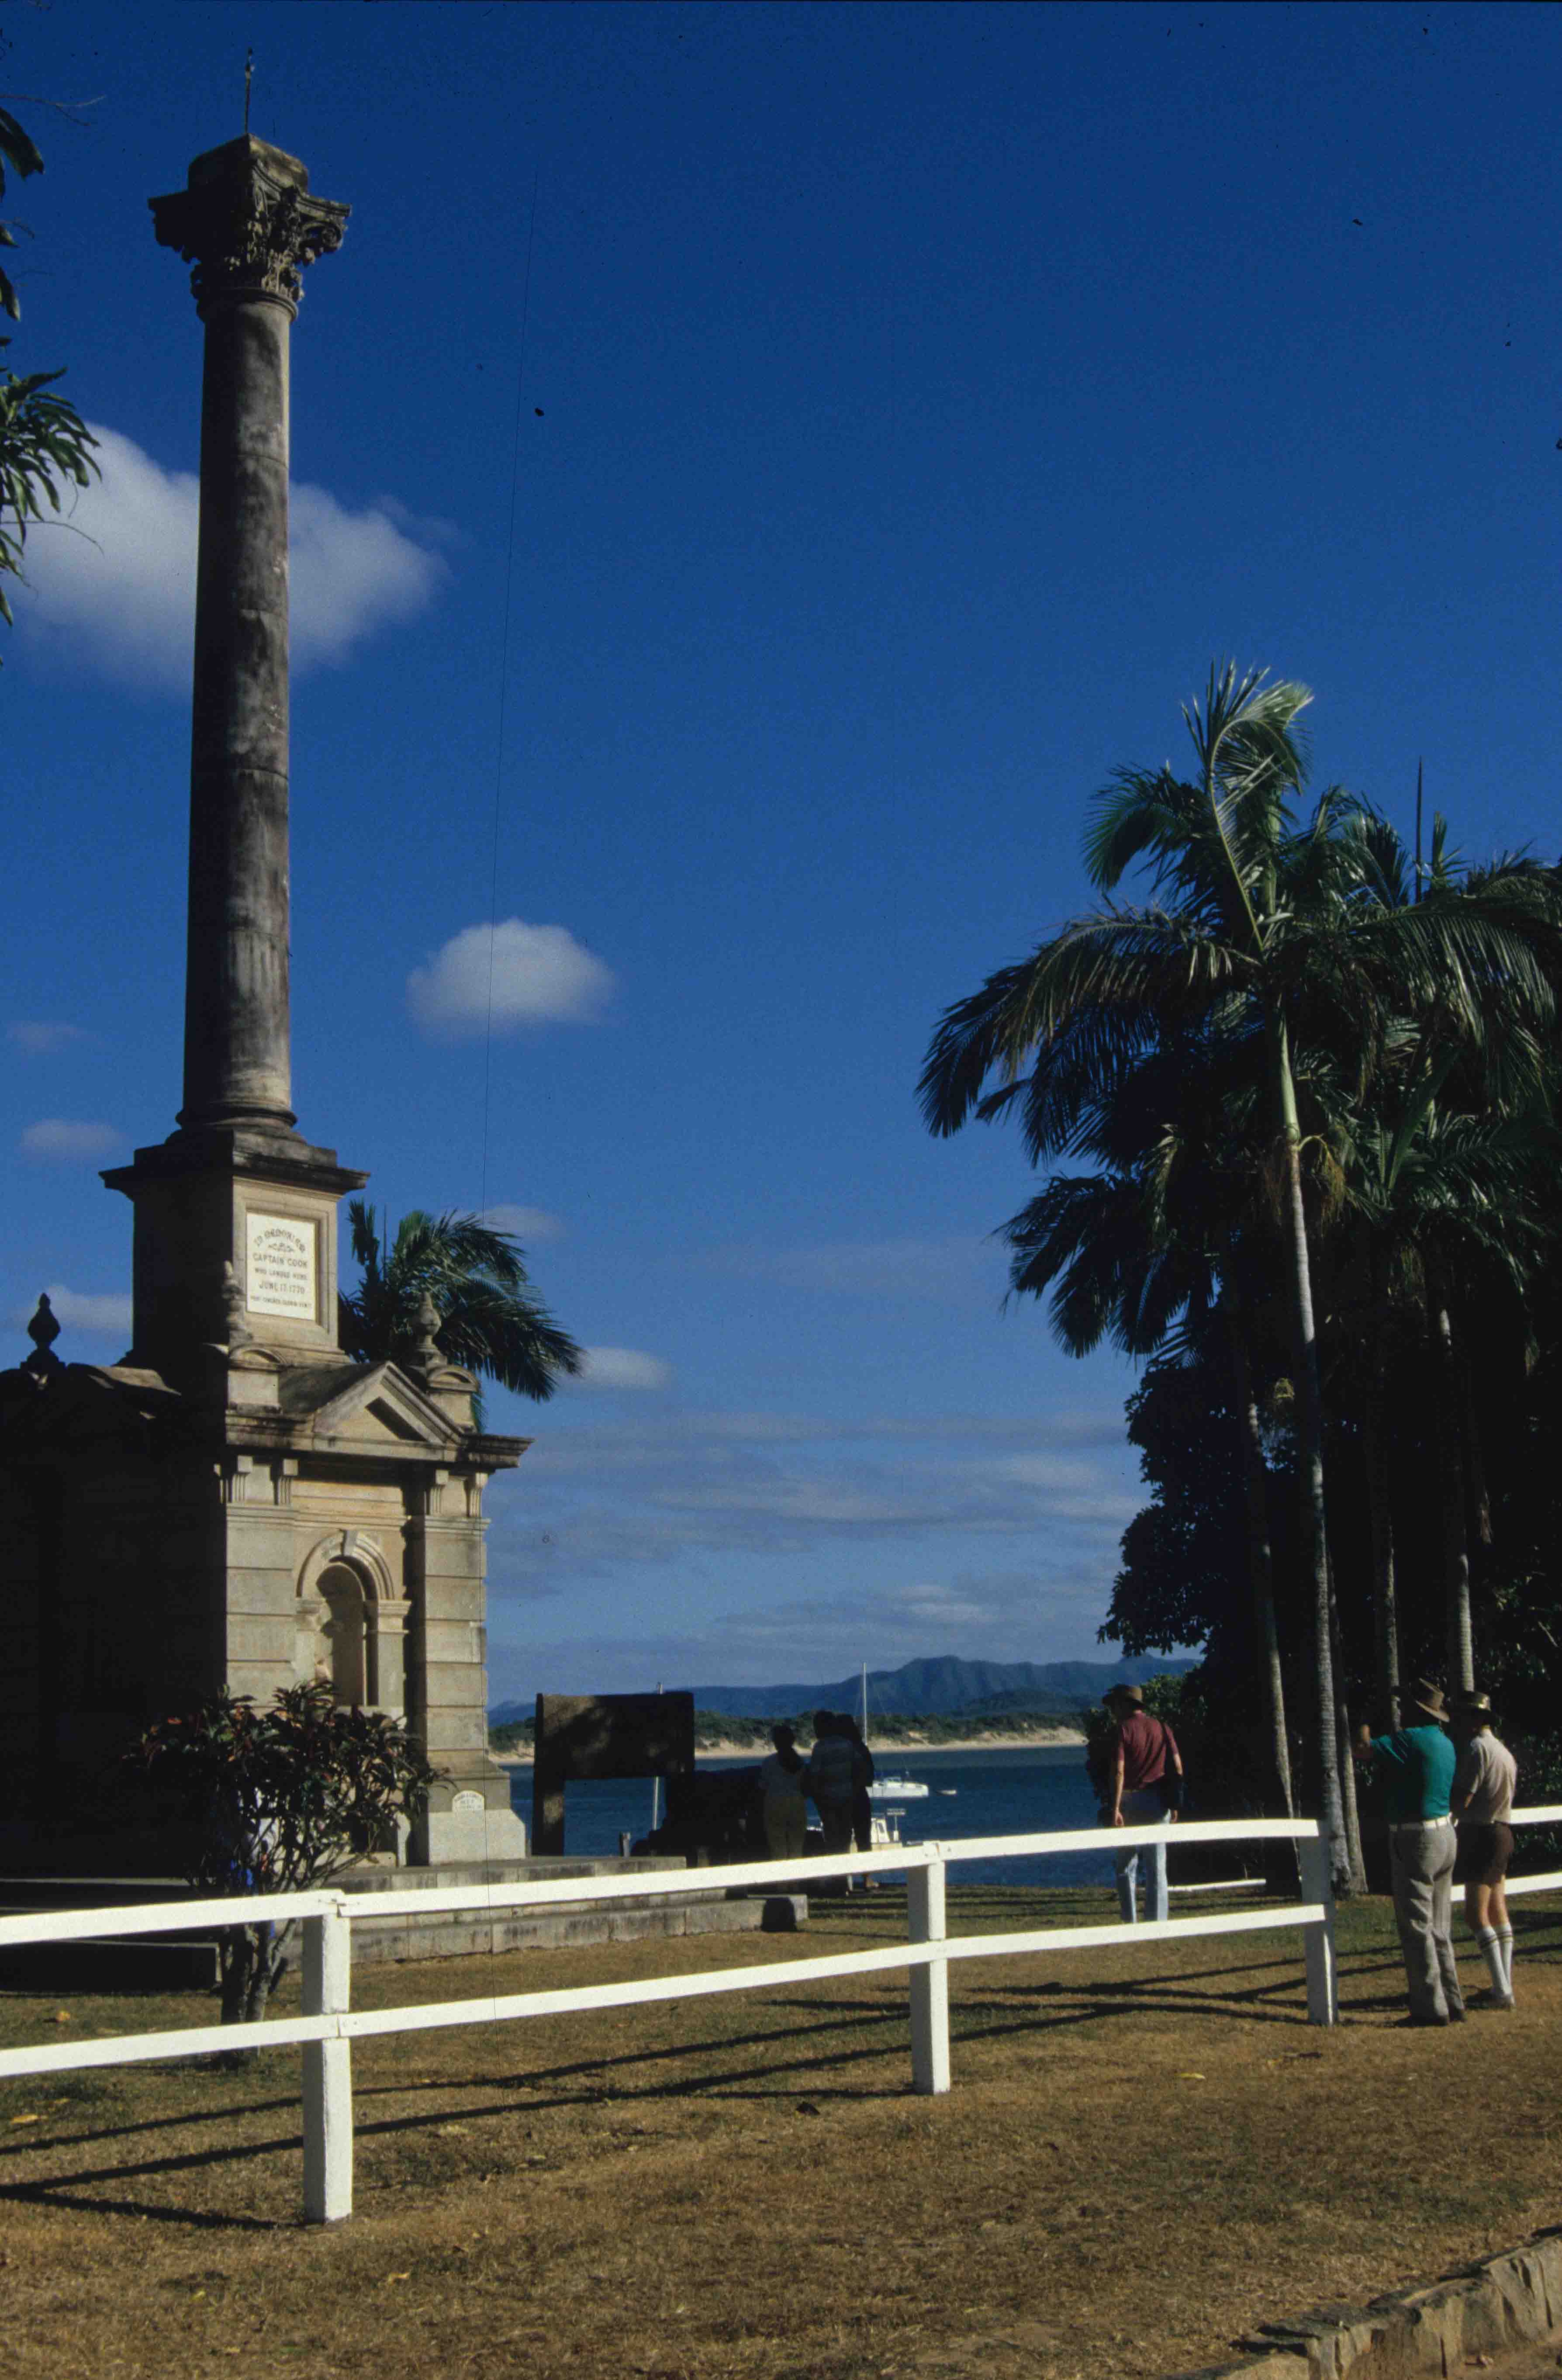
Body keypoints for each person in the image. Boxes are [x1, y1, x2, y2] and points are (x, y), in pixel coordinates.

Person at [1353, 1678, 1464, 2027]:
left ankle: (1431, 2009)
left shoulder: (1409, 1740)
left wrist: (1366, 1715)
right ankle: (1453, 2000)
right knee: (1440, 1926)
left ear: (1415, 1710)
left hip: (1416, 1839)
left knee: (1417, 1924)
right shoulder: (1445, 1744)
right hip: (1446, 1833)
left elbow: (1361, 1748)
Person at [1450, 1691, 1519, 2010]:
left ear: (1476, 1720)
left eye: (1464, 1717)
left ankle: (1502, 1990)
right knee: (1498, 1910)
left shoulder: (1478, 1749)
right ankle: (1502, 1985)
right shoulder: (1504, 1752)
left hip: (1482, 1834)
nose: (1459, 1723)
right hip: (1503, 1832)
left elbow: (1464, 1797)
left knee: (1476, 1915)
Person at [1102, 1683, 1183, 1925]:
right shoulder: (1162, 1727)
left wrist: (1115, 1807)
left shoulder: (1123, 1730)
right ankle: (1158, 1921)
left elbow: (1120, 1771)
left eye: (1115, 1705)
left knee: (1125, 1865)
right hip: (1159, 1801)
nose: (1113, 1710)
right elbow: (1178, 1767)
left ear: (1124, 1705)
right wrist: (1175, 1803)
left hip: (1131, 1800)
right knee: (1158, 1866)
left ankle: (1130, 1920)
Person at [805, 1709, 856, 1869]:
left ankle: (836, 1876)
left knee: (832, 1838)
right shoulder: (847, 1744)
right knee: (845, 1838)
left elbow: (814, 1774)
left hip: (828, 1800)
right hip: (847, 1798)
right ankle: (844, 1873)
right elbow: (856, 1770)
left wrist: (816, 1797)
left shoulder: (820, 1748)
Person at [757, 1723, 809, 1863]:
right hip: (797, 1804)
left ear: (776, 1743)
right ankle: (795, 1884)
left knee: (777, 1848)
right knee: (797, 1848)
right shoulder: (801, 1763)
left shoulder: (769, 1763)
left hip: (774, 1804)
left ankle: (782, 1885)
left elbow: (762, 1787)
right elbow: (806, 1788)